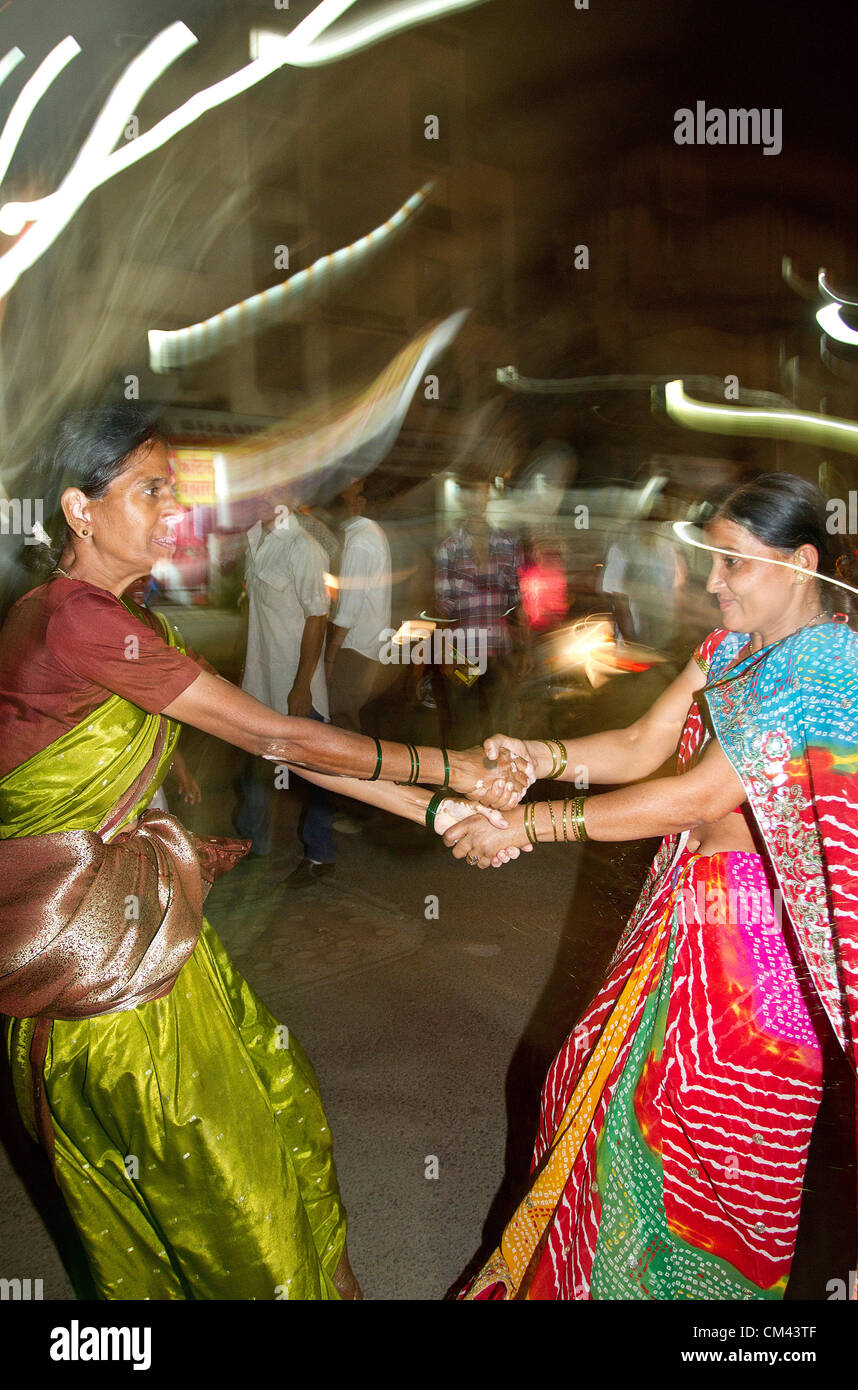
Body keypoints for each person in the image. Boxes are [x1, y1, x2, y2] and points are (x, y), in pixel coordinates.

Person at [0, 403, 528, 1302]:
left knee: (280, 1119)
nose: (177, 511)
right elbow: (285, 738)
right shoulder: (78, 624)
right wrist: (456, 770)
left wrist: (434, 811)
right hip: (104, 983)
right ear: (79, 509)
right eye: (151, 490)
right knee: (233, 1207)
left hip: (150, 940)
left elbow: (269, 745)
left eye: (177, 490)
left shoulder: (103, 615)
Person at [442, 472, 858, 1301]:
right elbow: (641, 745)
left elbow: (699, 794)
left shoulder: (831, 663)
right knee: (602, 1106)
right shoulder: (731, 649)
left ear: (802, 562)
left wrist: (528, 825)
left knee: (707, 1155)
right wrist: (538, 757)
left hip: (762, 960)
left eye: (733, 563)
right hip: (686, 915)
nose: (712, 582)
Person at [237, 508, 336, 884]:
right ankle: (254, 843)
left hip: (296, 685)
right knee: (255, 767)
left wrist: (301, 685)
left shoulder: (304, 548)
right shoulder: (252, 538)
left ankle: (321, 853)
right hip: (259, 684)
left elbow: (318, 617)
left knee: (317, 772)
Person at [433, 476, 530, 748]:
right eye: (471, 493)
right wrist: (443, 654)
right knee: (463, 729)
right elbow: (443, 606)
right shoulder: (449, 546)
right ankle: (459, 786)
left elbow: (517, 600)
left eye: (482, 493)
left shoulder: (508, 543)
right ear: (463, 498)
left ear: (489, 497)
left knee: (499, 730)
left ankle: (499, 787)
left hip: (500, 654)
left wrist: (526, 649)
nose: (477, 500)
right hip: (463, 654)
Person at [324, 478, 393, 734]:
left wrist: (330, 657)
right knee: (349, 720)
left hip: (354, 647)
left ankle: (355, 774)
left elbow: (348, 611)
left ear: (360, 502)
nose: (343, 493)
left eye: (352, 489)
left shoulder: (361, 540)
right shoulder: (369, 534)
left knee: (343, 722)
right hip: (367, 645)